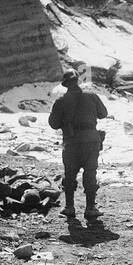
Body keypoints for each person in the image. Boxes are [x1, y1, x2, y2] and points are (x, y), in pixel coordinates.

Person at [48, 69, 108, 221]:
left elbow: (53, 124)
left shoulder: (61, 101)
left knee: (69, 175)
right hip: (91, 141)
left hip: (71, 142)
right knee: (90, 173)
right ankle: (90, 208)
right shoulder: (92, 96)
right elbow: (103, 114)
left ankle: (69, 207)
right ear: (78, 81)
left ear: (65, 84)